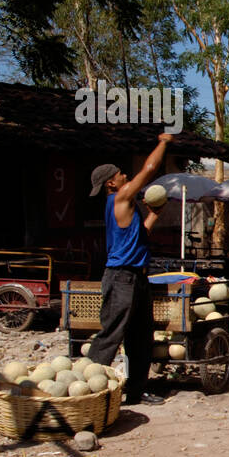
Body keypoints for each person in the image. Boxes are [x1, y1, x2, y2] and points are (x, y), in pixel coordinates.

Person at [86, 134, 172, 406]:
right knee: (111, 334)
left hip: (137, 277)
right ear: (111, 182)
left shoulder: (128, 207)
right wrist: (163, 142)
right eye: (121, 174)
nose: (125, 176)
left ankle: (136, 390)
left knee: (140, 337)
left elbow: (142, 235)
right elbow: (149, 170)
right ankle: (88, 388)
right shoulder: (119, 198)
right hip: (120, 277)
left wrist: (155, 214)